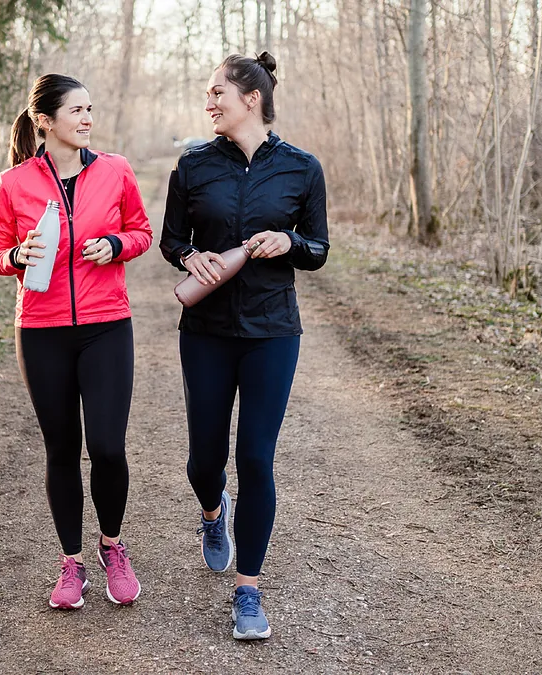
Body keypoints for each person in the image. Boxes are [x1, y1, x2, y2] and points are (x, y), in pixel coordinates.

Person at [159, 52, 329, 640]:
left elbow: (319, 248)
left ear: (250, 98)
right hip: (206, 333)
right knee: (204, 461)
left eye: (216, 94)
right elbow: (172, 240)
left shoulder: (301, 169)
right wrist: (190, 256)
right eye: (207, 95)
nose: (208, 103)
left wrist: (288, 240)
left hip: (272, 332)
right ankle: (213, 511)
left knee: (256, 456)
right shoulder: (194, 166)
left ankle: (248, 590)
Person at [0, 73, 152, 610]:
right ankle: (70, 564)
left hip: (106, 326)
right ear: (45, 121)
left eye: (90, 109)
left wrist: (115, 243)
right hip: (41, 331)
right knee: (61, 449)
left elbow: (143, 232)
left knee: (106, 447)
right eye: (76, 110)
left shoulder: (116, 170)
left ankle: (112, 546)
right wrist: (15, 258)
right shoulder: (13, 184)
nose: (87, 119)